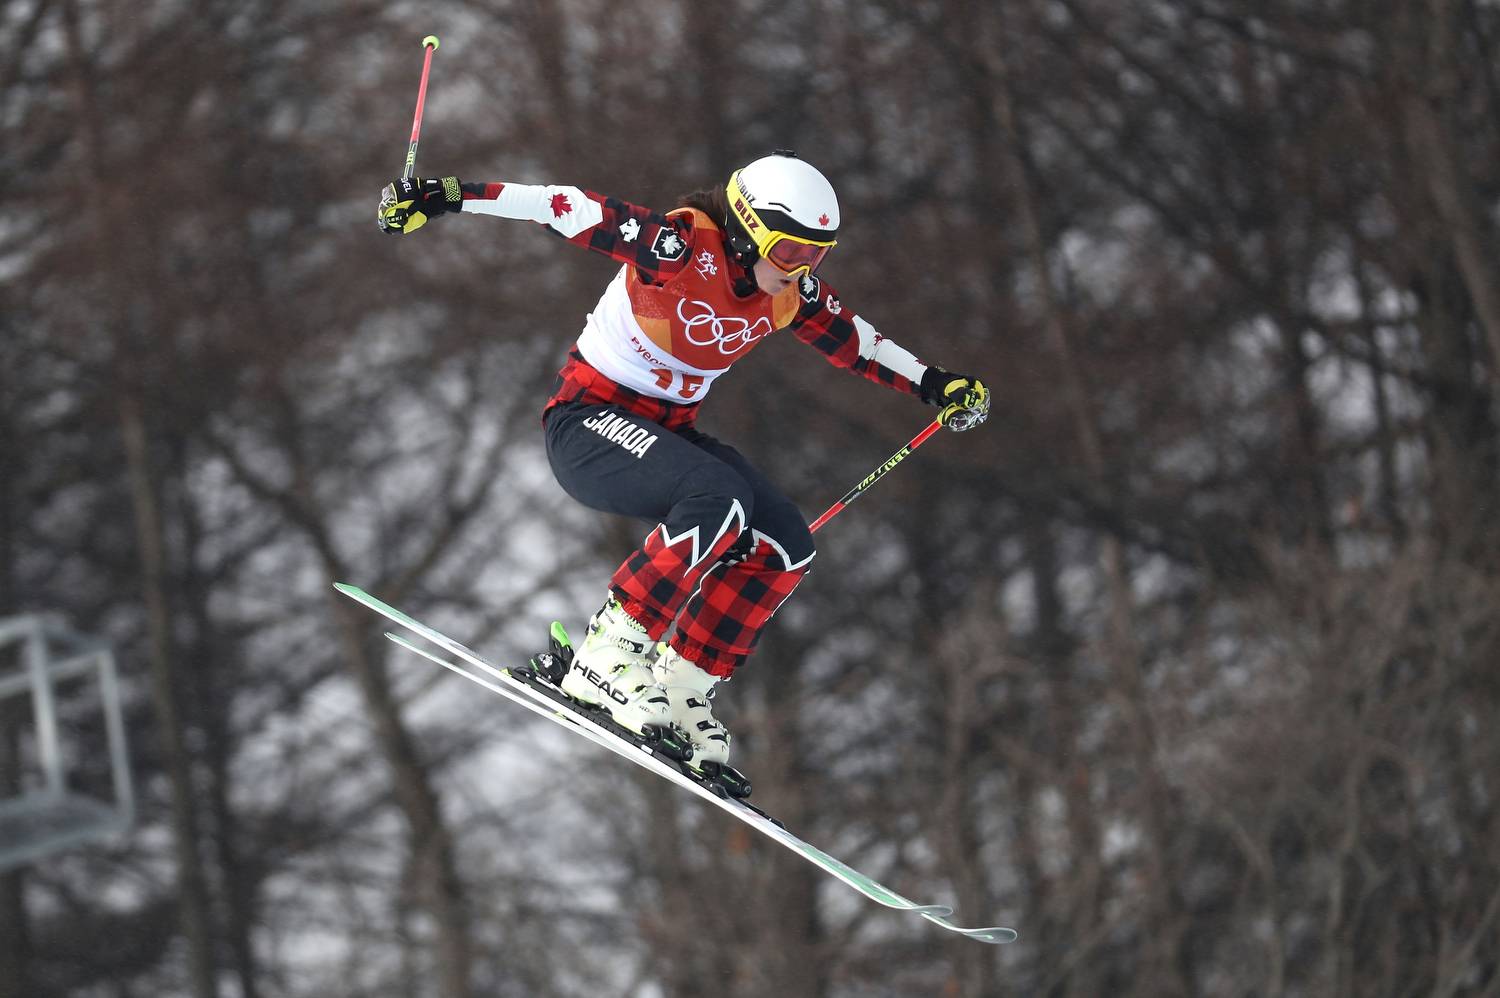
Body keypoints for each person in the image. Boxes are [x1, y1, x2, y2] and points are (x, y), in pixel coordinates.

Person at [377, 151, 988, 772]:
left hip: (666, 430)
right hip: (586, 423)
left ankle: (680, 686)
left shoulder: (788, 295)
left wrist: (934, 384)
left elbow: (855, 340)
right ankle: (606, 656)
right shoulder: (676, 247)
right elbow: (564, 207)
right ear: (750, 230)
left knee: (785, 540)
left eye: (817, 254)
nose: (802, 268)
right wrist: (446, 195)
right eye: (789, 251)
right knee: (717, 498)